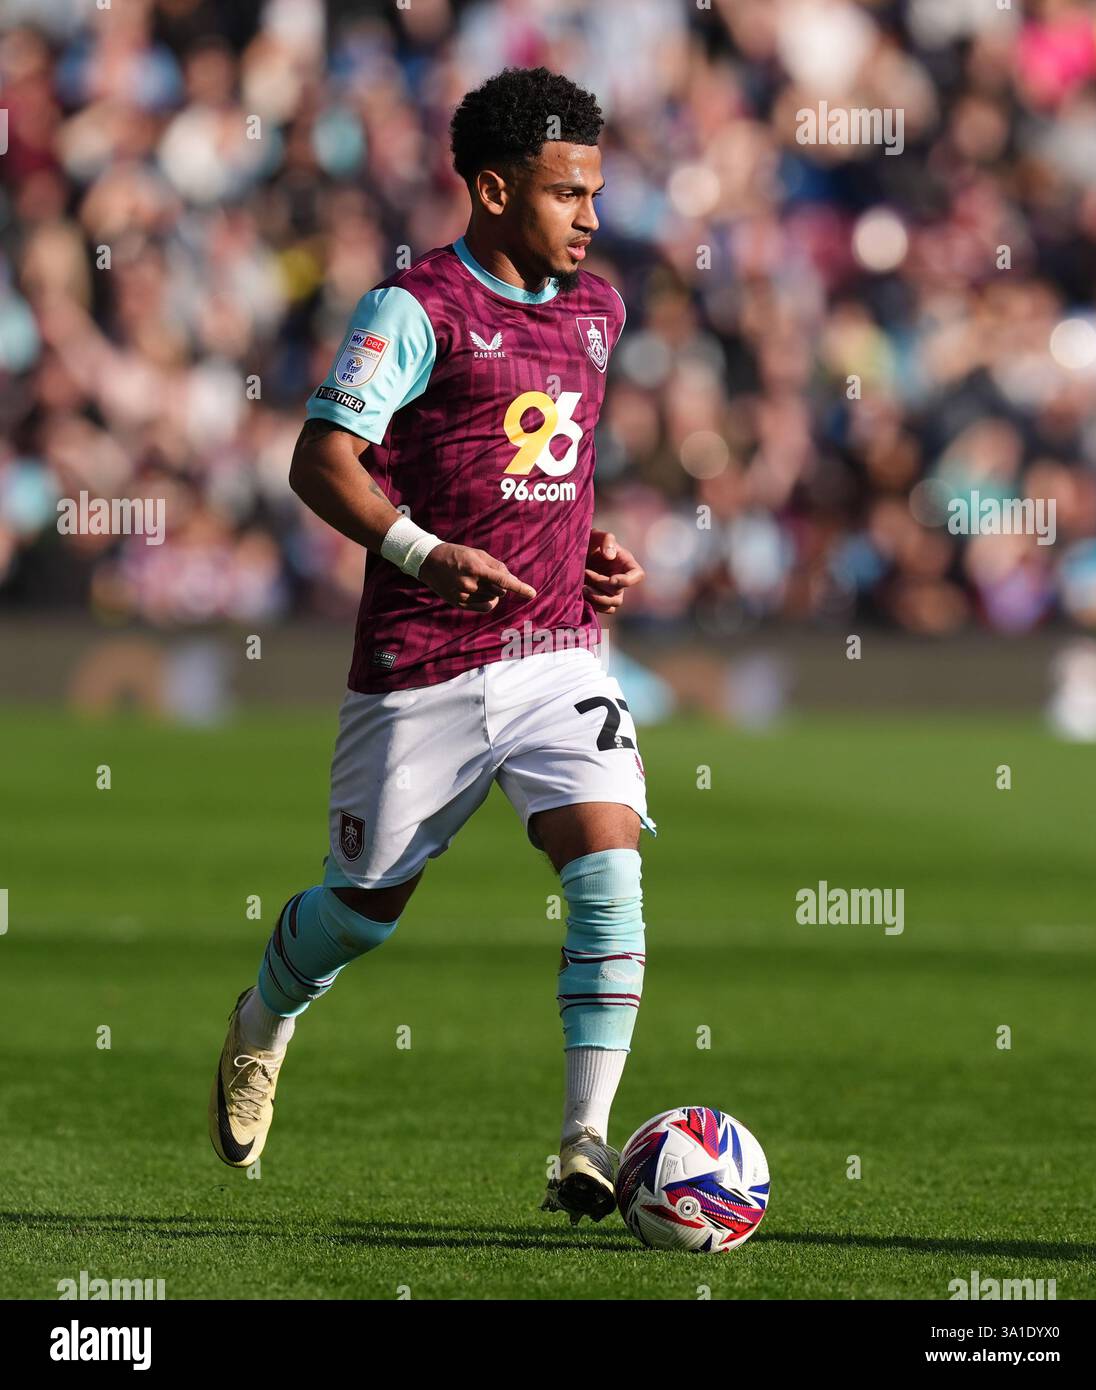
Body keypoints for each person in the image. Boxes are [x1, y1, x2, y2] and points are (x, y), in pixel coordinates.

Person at [208, 65, 655, 1226]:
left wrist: (593, 546)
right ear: (497, 190)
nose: (593, 216)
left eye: (597, 192)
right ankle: (266, 1011)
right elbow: (321, 462)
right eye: (569, 193)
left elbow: (542, 463)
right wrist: (423, 551)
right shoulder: (415, 310)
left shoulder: (598, 312)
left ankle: (584, 1140)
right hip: (423, 664)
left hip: (559, 650)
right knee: (362, 911)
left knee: (607, 862)